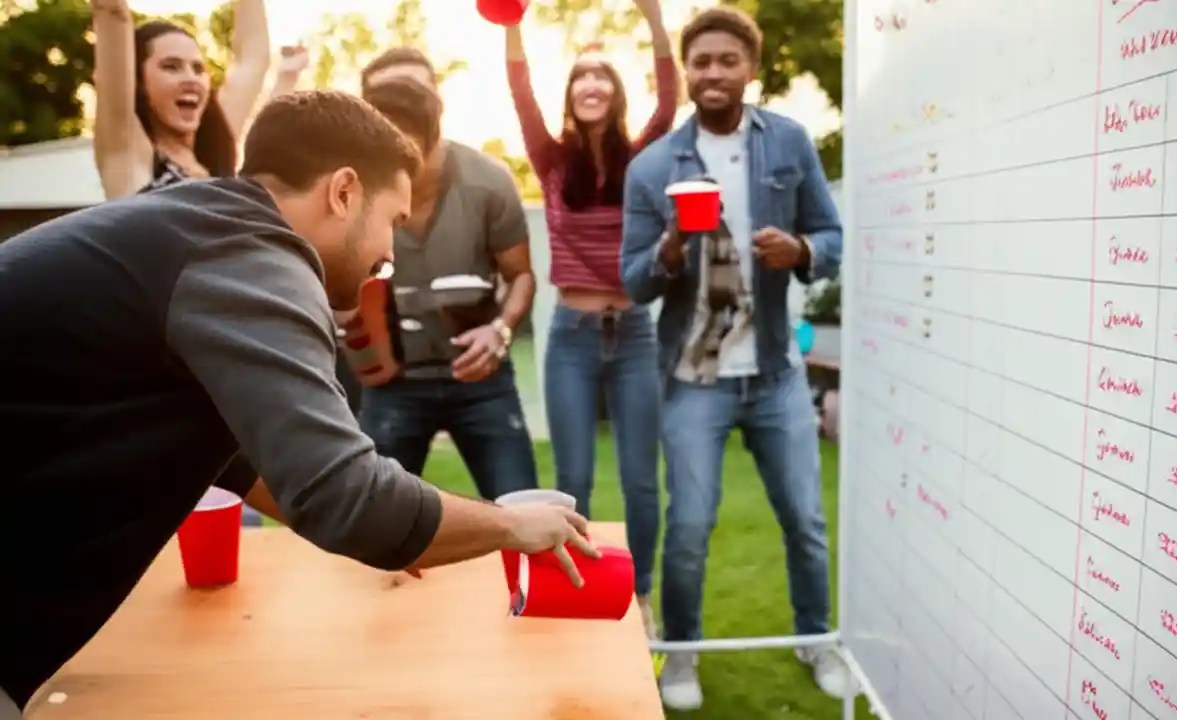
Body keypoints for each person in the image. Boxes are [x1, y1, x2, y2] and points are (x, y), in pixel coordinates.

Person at [0, 90, 595, 715]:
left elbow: (247, 458)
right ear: (343, 191)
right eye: (391, 219)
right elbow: (348, 498)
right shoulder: (254, 258)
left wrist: (410, 529)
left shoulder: (198, 230)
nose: (390, 256)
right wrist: (508, 525)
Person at [619, 6, 849, 710]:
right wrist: (664, 252)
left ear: (750, 68)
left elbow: (831, 234)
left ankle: (815, 636)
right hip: (696, 378)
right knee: (687, 528)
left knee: (805, 520)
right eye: (701, 62)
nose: (713, 73)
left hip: (776, 373)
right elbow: (632, 280)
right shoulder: (654, 165)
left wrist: (802, 251)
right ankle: (682, 655)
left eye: (727, 60)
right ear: (686, 71)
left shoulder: (787, 143)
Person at [503, 0, 675, 639]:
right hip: (571, 338)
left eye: (602, 75)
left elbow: (667, 102)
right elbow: (520, 93)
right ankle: (573, 589)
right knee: (571, 479)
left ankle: (642, 596)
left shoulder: (644, 160)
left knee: (639, 481)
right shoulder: (549, 161)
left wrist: (654, 19)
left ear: (615, 92)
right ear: (571, 95)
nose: (591, 84)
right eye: (580, 77)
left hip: (634, 336)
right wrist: (512, 23)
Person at [341, 48, 540, 501]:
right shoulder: (349, 190)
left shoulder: (488, 180)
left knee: (524, 510)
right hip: (392, 384)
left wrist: (501, 330)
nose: (403, 105)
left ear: (436, 105)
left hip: (481, 380)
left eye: (416, 91)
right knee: (370, 524)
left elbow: (522, 275)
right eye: (387, 99)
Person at [90, 0, 272, 198]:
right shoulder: (128, 156)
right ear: (138, 82)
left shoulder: (215, 150)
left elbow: (254, 58)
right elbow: (111, 12)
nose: (191, 79)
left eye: (198, 69)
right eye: (171, 67)